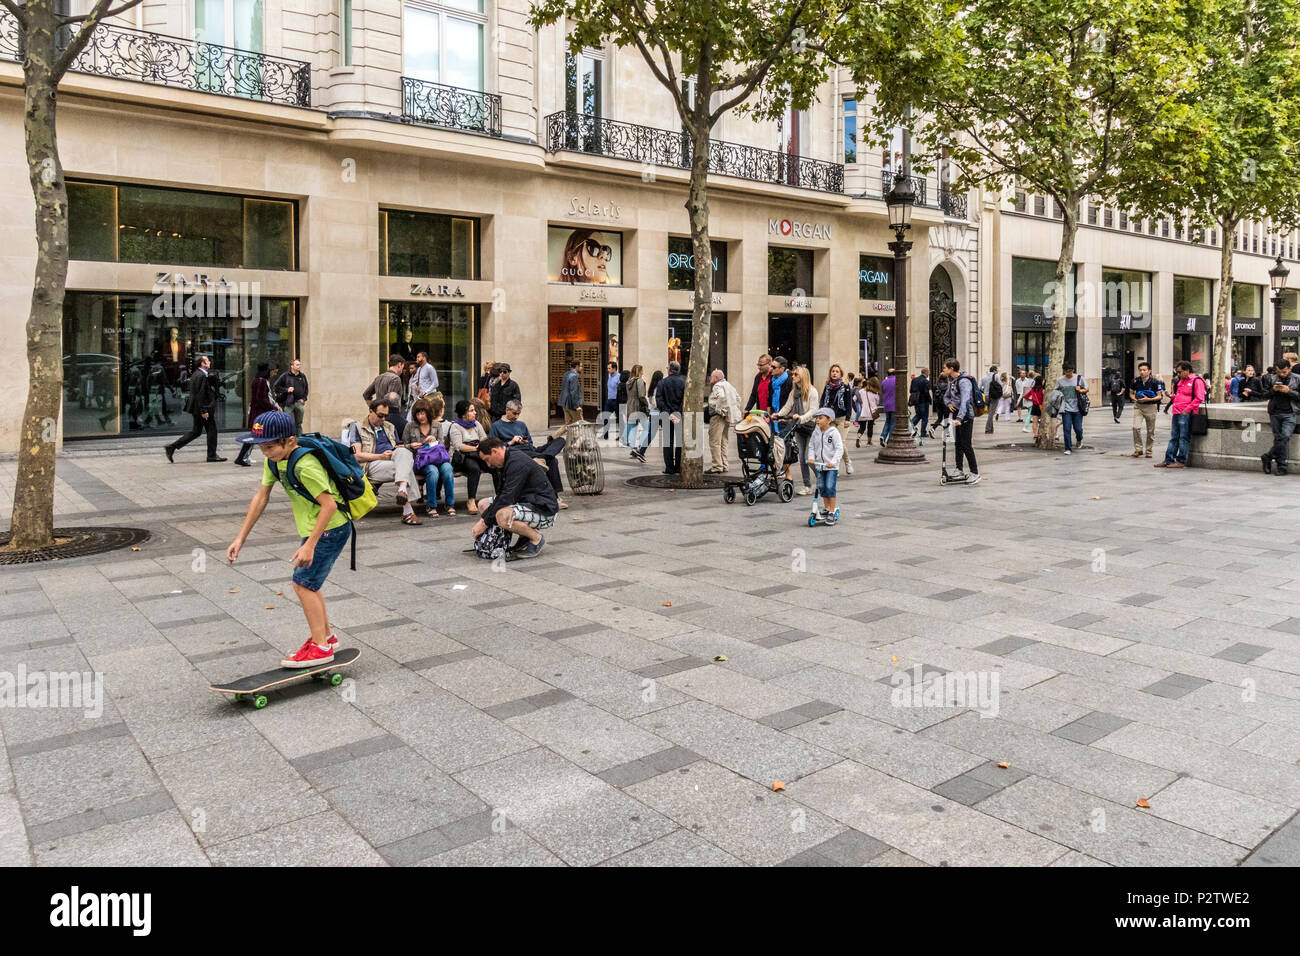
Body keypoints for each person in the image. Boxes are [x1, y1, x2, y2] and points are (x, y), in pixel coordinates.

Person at [227, 411, 350, 667]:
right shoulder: (274, 461)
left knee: (303, 583)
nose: (265, 452)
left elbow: (329, 506)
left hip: (331, 528)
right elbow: (261, 498)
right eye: (260, 447)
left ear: (290, 441)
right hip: (314, 529)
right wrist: (240, 538)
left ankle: (320, 648)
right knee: (309, 582)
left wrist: (310, 544)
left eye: (270, 446)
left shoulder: (305, 466)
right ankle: (326, 637)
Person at [472, 437, 559, 559]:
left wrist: (484, 522)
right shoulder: (507, 459)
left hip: (544, 509)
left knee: (502, 515)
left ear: (495, 451)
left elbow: (507, 497)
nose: (488, 465)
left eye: (487, 459)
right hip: (525, 502)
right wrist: (485, 519)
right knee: (483, 504)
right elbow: (503, 494)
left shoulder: (517, 462)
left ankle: (536, 539)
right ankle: (519, 537)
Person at [489, 398, 569, 509]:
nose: (517, 416)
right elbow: (493, 447)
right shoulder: (496, 426)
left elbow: (531, 443)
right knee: (553, 461)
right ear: (507, 410)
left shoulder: (522, 425)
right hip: (516, 452)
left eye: (519, 414)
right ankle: (554, 498)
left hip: (530, 451)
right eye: (514, 413)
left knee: (560, 441)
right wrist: (511, 442)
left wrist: (525, 442)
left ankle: (543, 458)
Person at [351, 399, 420, 524]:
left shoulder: (390, 426)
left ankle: (402, 492)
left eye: (386, 416)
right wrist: (380, 456)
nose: (383, 419)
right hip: (371, 464)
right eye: (380, 415)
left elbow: (396, 448)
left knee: (405, 453)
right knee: (404, 468)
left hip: (391, 459)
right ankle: (407, 510)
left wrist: (410, 446)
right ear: (371, 411)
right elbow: (357, 455)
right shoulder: (357, 427)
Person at [164, 354, 225, 463]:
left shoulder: (199, 374)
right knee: (212, 430)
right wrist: (204, 410)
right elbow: (199, 394)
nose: (209, 362)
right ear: (202, 363)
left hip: (198, 408)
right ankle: (211, 455)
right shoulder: (200, 376)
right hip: (202, 409)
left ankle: (172, 447)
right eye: (207, 360)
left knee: (196, 431)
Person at [404, 398, 454, 518]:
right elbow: (402, 446)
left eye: (423, 413)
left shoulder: (437, 426)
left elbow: (442, 445)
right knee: (433, 471)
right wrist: (410, 446)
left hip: (438, 458)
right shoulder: (410, 426)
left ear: (428, 413)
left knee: (447, 469)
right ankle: (431, 505)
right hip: (421, 462)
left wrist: (434, 440)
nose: (420, 416)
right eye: (418, 413)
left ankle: (450, 504)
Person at [1155, 361, 1206, 469]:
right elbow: (1180, 396)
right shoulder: (1180, 381)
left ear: (1187, 370)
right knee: (1174, 436)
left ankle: (1181, 460)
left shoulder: (1196, 381)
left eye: (1179, 372)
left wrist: (1187, 410)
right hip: (1177, 411)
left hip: (1186, 413)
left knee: (1183, 437)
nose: (1178, 374)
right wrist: (1171, 397)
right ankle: (1168, 459)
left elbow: (1199, 398)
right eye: (1177, 372)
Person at [776, 365, 819, 494]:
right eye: (793, 374)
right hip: (799, 427)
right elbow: (788, 406)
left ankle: (822, 480)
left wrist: (801, 417)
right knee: (801, 459)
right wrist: (778, 415)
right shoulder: (794, 392)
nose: (793, 377)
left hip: (811, 427)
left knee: (808, 458)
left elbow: (813, 411)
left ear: (803, 377)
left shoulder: (812, 391)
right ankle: (807, 486)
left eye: (795, 375)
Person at [944, 357, 981, 484]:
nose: (943, 369)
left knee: (966, 445)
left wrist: (959, 418)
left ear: (951, 368)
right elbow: (946, 396)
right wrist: (949, 403)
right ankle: (959, 469)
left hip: (965, 417)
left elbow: (965, 401)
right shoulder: (952, 381)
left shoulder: (964, 381)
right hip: (956, 415)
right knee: (958, 444)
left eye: (945, 367)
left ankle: (975, 472)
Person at [448, 399, 488, 513]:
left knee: (495, 466)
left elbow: (484, 439)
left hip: (477, 454)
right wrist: (476, 448)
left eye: (474, 410)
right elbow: (458, 446)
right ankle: (471, 500)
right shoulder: (456, 426)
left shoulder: (476, 424)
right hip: (462, 457)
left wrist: (481, 447)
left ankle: (499, 496)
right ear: (464, 414)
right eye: (472, 410)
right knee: (474, 468)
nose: (475, 413)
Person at [1262, 358, 1300, 475]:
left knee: (1284, 437)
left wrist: (1288, 391)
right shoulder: (1271, 378)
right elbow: (1264, 395)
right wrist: (1273, 390)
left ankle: (1267, 456)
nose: (1282, 374)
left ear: (1289, 369)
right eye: (1279, 372)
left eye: (1284, 371)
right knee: (1278, 439)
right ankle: (1281, 466)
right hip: (1275, 413)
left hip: (1290, 412)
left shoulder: (1297, 379)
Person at [806, 407, 843, 523]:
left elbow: (839, 449)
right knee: (822, 488)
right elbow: (811, 446)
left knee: (829, 487)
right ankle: (827, 508)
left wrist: (834, 461)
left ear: (829, 420)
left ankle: (832, 511)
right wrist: (811, 457)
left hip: (831, 467)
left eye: (820, 418)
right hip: (820, 466)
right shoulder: (815, 433)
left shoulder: (834, 433)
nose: (817, 420)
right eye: (817, 418)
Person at [234, 363, 275, 467]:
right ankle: (241, 457)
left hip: (257, 413)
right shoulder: (261, 381)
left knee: (256, 435)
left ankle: (241, 457)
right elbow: (261, 399)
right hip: (260, 414)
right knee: (259, 435)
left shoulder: (256, 380)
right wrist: (273, 408)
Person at [821, 363, 857, 473]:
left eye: (837, 371)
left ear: (840, 374)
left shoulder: (845, 387)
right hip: (830, 419)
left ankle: (847, 462)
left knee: (840, 443)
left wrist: (847, 419)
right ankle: (835, 467)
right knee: (831, 444)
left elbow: (849, 404)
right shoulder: (827, 386)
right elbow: (822, 401)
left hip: (841, 418)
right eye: (833, 371)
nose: (834, 373)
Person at [706, 369, 743, 473]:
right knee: (723, 441)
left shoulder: (717, 386)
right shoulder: (729, 385)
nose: (710, 378)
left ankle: (717, 466)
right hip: (726, 417)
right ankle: (724, 465)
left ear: (717, 378)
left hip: (718, 416)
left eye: (712, 376)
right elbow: (738, 398)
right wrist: (730, 410)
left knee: (714, 442)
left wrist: (719, 409)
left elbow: (721, 397)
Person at [364, 354, 408, 436]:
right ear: (399, 365)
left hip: (379, 416)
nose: (402, 370)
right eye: (403, 366)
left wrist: (375, 410)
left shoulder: (379, 377)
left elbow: (366, 394)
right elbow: (390, 399)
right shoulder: (395, 378)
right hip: (391, 416)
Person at [1127, 362, 1164, 458]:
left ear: (1149, 371)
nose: (1142, 372)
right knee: (1136, 427)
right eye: (1140, 370)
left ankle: (1149, 450)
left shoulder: (1155, 382)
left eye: (1144, 370)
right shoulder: (1135, 381)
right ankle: (1138, 449)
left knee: (1150, 430)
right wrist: (1135, 399)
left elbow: (1159, 396)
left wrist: (1148, 399)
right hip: (1138, 406)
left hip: (1151, 407)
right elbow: (1131, 393)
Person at [657, 360, 686, 475]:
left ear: (669, 370)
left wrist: (668, 413)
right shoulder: (684, 381)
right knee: (679, 442)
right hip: (679, 415)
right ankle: (678, 466)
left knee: (667, 442)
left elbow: (659, 400)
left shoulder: (662, 382)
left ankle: (669, 467)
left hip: (666, 415)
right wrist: (677, 412)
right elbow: (685, 400)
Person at [1056, 362, 1088, 455]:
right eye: (1067, 371)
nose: (1069, 373)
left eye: (1071, 371)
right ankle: (1068, 448)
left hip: (1078, 408)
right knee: (1066, 428)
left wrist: (1080, 390)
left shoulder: (1079, 378)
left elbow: (1087, 389)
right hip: (1066, 408)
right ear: (1064, 371)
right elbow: (1056, 390)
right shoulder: (1060, 380)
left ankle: (1079, 439)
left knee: (1078, 428)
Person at [272, 358, 309, 434]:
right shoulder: (285, 375)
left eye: (300, 365)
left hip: (299, 403)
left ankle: (299, 441)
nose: (299, 366)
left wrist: (304, 398)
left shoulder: (302, 376)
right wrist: (286, 390)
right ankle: (288, 440)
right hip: (288, 403)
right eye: (297, 365)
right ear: (292, 366)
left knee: (298, 424)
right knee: (287, 423)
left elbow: (306, 388)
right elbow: (276, 387)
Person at [625, 364, 649, 462]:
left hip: (630, 405)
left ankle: (633, 449)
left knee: (633, 428)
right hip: (638, 406)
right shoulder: (639, 381)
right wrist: (646, 404)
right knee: (647, 427)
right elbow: (641, 396)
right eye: (642, 371)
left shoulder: (628, 382)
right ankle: (639, 446)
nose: (643, 373)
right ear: (639, 372)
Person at [909, 366, 931, 448]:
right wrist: (930, 400)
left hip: (916, 401)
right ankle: (923, 433)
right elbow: (926, 392)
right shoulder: (926, 381)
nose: (929, 374)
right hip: (924, 401)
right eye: (929, 372)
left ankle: (911, 427)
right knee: (925, 417)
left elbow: (911, 390)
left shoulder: (914, 380)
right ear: (926, 373)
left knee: (918, 415)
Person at [856, 376, 880, 446]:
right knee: (870, 427)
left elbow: (855, 397)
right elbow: (877, 402)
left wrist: (861, 403)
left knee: (862, 428)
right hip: (871, 413)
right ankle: (869, 442)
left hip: (863, 412)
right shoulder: (875, 393)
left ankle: (858, 437)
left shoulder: (862, 391)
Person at [558, 358, 584, 424]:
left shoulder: (566, 374)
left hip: (564, 403)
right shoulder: (574, 376)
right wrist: (577, 406)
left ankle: (554, 435)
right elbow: (574, 392)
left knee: (568, 425)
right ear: (577, 367)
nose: (582, 368)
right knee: (580, 424)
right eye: (581, 366)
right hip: (571, 405)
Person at [980, 365, 1000, 433]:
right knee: (991, 413)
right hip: (994, 396)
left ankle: (991, 429)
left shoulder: (984, 377)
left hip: (986, 396)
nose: (997, 372)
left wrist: (984, 391)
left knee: (990, 412)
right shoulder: (996, 376)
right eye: (997, 370)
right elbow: (1000, 385)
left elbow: (979, 387)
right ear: (994, 370)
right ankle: (988, 428)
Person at [879, 369, 896, 445]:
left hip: (886, 404)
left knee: (887, 421)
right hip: (894, 405)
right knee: (892, 422)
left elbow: (882, 391)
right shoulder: (896, 380)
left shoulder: (884, 381)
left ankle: (883, 436)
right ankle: (890, 439)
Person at [1026, 374, 1045, 441]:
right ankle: (1042, 433)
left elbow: (1026, 396)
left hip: (1034, 406)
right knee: (1043, 421)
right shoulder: (1042, 389)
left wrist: (1032, 399)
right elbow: (1044, 398)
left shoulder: (1033, 389)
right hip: (1041, 407)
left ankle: (1035, 434)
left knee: (1035, 422)